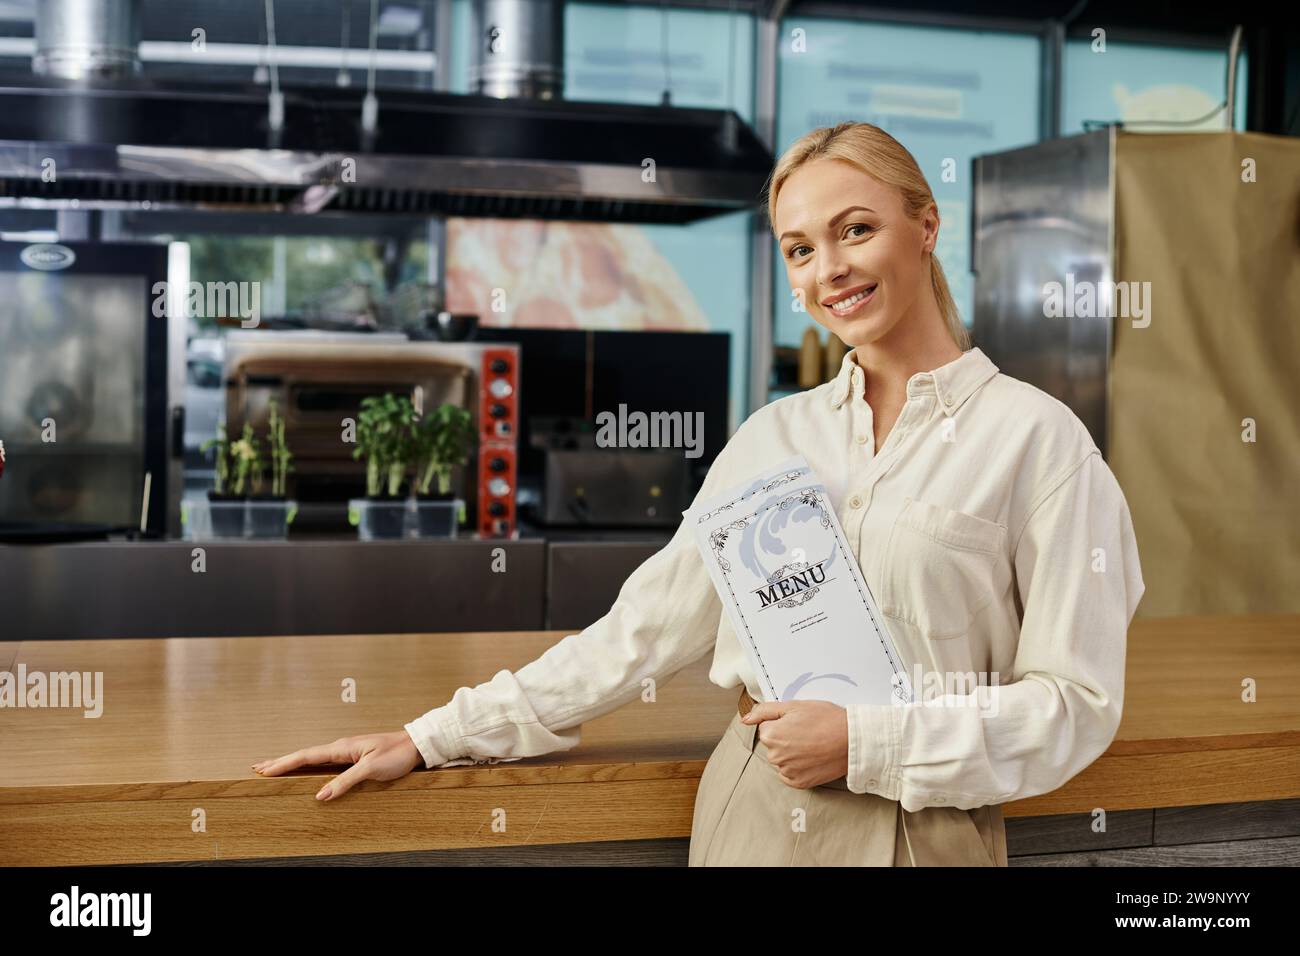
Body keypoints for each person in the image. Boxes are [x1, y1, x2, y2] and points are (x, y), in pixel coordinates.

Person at [252, 121, 1146, 866]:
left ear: (926, 225)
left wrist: (871, 743)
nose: (828, 268)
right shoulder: (773, 439)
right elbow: (641, 634)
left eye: (856, 230)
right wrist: (433, 735)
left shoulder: (1039, 442)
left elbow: (1076, 705)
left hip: (928, 837)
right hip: (755, 822)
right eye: (800, 249)